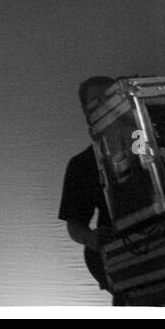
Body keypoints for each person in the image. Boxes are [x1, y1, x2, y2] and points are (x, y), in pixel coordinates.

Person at [59, 76, 116, 299]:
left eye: (111, 98)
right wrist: (91, 239)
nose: (105, 107)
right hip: (117, 261)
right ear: (86, 113)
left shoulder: (152, 140)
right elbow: (75, 224)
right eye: (96, 103)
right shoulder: (82, 164)